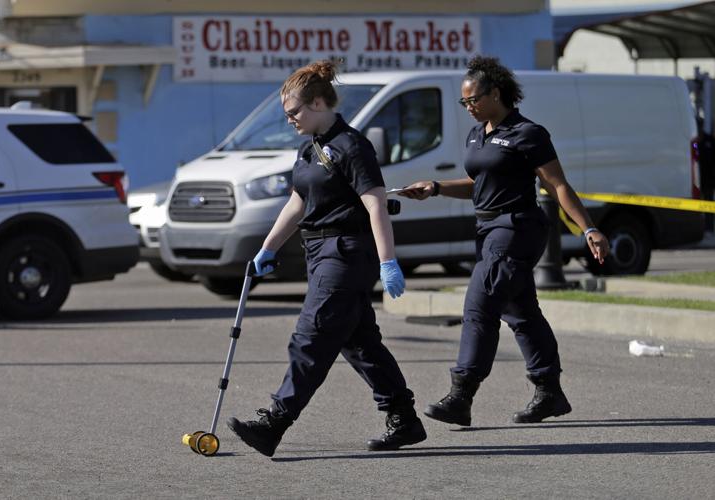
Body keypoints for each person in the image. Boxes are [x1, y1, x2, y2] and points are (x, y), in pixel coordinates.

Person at [227, 60, 426, 457]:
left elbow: (376, 207)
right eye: (287, 115)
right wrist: (266, 248)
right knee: (359, 342)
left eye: (295, 112)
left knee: (312, 335)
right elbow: (296, 203)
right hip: (318, 252)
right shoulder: (309, 149)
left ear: (319, 102)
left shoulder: (353, 147)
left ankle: (274, 422)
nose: (290, 120)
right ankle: (403, 419)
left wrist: (389, 262)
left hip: (347, 252)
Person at [399, 55, 610, 426]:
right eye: (463, 102)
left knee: (480, 305)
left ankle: (461, 394)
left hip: (517, 228)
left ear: (495, 93)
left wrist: (588, 228)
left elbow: (557, 185)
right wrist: (435, 188)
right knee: (520, 310)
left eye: (472, 100)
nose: (468, 107)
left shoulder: (528, 134)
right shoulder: (477, 132)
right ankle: (549, 392)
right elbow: (479, 184)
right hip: (487, 230)